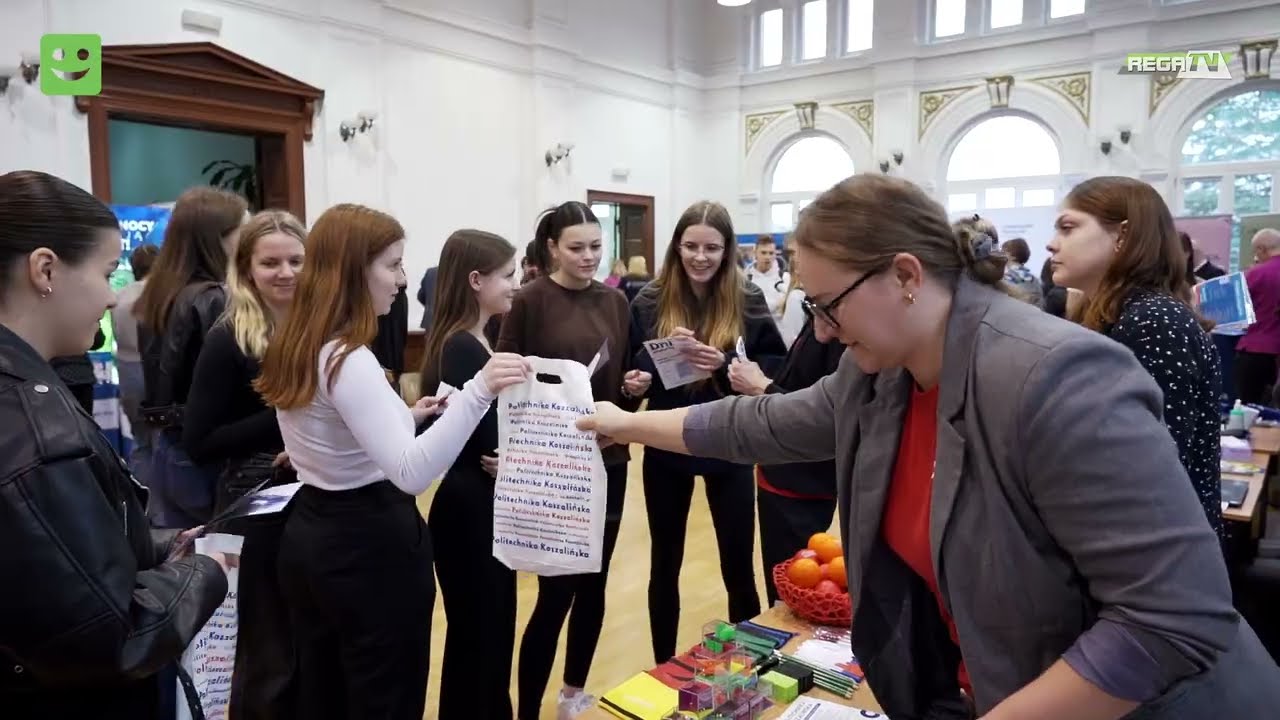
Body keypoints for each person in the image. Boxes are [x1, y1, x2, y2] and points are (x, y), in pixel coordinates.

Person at [577, 173, 1280, 720]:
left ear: (907, 277)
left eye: (828, 305)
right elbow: (762, 424)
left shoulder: (1058, 376)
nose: (819, 330)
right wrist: (623, 423)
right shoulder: (879, 372)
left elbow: (1170, 619)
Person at [254, 204, 531, 720]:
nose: (403, 281)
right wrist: (479, 390)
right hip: (366, 546)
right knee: (385, 695)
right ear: (354, 270)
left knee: (326, 690)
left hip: (314, 531)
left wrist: (407, 415)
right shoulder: (346, 356)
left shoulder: (297, 339)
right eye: (393, 265)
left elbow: (336, 432)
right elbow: (412, 471)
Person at [0, 170, 229, 717]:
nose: (111, 297)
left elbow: (52, 561)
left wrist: (152, 546)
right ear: (46, 269)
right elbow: (116, 634)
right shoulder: (37, 433)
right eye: (106, 273)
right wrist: (206, 570)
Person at [498, 202, 652, 720]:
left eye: (594, 246)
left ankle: (572, 695)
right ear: (551, 249)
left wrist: (634, 388)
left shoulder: (615, 301)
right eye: (576, 248)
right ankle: (528, 711)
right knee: (555, 592)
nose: (588, 257)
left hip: (608, 459)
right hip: (555, 467)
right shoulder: (529, 301)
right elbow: (506, 382)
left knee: (595, 585)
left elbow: (625, 385)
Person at [629, 200, 787, 664]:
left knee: (737, 565)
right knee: (665, 565)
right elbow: (635, 372)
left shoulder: (747, 298)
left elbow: (773, 369)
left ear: (727, 249)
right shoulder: (649, 300)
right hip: (666, 444)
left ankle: (755, 664)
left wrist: (727, 366)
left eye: (712, 248)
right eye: (691, 247)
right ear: (677, 248)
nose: (700, 257)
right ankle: (663, 665)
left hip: (729, 443)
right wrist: (635, 380)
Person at [1048, 177, 1224, 540]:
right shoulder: (1125, 315)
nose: (1052, 244)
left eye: (1068, 228)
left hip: (1158, 556)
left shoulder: (1153, 320)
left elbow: (1150, 468)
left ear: (1122, 236)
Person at [182, 210, 306, 719]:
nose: (285, 273)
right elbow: (200, 441)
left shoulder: (317, 330)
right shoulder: (228, 337)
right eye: (271, 262)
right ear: (247, 268)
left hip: (313, 496)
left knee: (304, 640)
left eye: (296, 260)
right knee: (267, 649)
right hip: (253, 500)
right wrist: (285, 413)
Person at [419, 229, 520, 720]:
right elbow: (484, 443)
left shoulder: (479, 338)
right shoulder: (462, 347)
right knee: (480, 638)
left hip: (480, 504)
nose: (514, 285)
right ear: (476, 280)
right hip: (469, 508)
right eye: (507, 275)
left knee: (486, 637)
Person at [726, 251, 844, 605]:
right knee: (783, 585)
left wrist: (761, 387)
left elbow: (819, 416)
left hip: (805, 481)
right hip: (780, 472)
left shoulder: (844, 333)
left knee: (793, 591)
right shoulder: (819, 314)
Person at [135, 186, 249, 528]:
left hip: (169, 446)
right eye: (243, 230)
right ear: (218, 238)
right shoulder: (215, 298)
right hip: (209, 455)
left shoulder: (160, 294)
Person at [112, 243, 159, 481]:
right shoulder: (164, 295)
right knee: (163, 441)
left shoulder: (119, 296)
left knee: (141, 440)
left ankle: (139, 496)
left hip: (127, 370)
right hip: (156, 371)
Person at [1235, 228, 1280, 404]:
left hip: (1255, 350)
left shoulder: (1255, 273)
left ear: (1262, 249)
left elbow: (1236, 310)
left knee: (1248, 408)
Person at [746, 235, 789, 323]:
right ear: (755, 253)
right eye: (763, 252)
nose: (767, 257)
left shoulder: (785, 278)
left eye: (771, 253)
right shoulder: (745, 279)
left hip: (781, 333)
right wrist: (778, 304)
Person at [999, 237, 1043, 306]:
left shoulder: (1005, 279)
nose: (1000, 255)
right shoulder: (1035, 280)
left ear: (1013, 256)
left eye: (1003, 252)